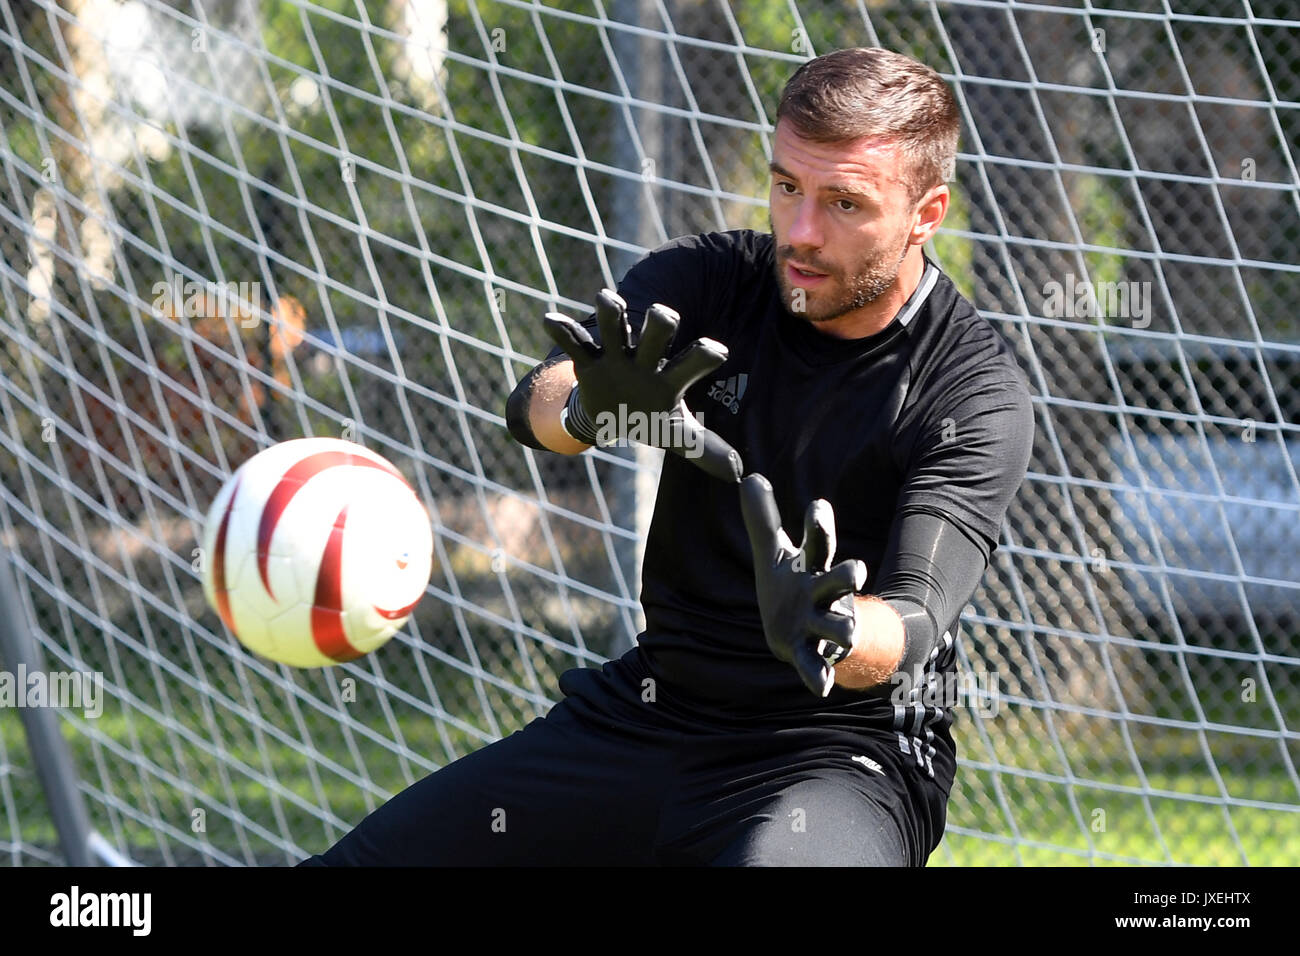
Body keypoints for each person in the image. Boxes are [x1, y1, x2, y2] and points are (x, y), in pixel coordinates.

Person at [300, 46, 1033, 867]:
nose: (800, 231)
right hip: (649, 715)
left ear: (926, 214)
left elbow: (911, 621)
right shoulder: (715, 279)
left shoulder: (970, 391)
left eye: (844, 204)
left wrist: (823, 625)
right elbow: (531, 402)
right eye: (787, 185)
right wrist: (585, 410)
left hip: (839, 756)